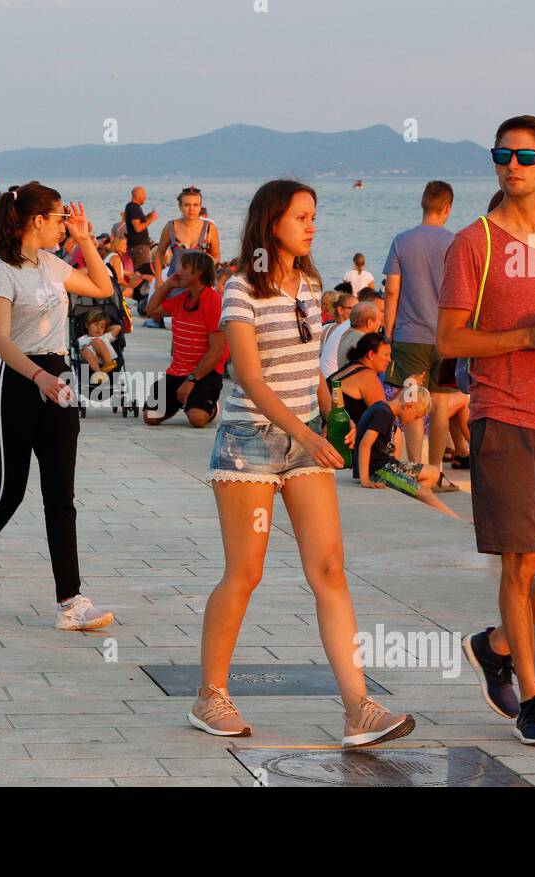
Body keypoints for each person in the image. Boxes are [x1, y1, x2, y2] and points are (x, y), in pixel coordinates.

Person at [189, 179, 414, 747]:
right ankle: (210, 695)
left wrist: (329, 407)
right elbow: (247, 375)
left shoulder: (309, 285)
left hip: (304, 439)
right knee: (246, 572)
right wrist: (305, 436)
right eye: (301, 216)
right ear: (272, 224)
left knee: (330, 569)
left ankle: (359, 708)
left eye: (314, 215)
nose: (312, 224)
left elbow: (306, 358)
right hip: (250, 443)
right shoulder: (240, 288)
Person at [437, 115, 535, 747]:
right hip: (500, 415)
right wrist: (525, 338)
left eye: (525, 156)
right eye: (502, 154)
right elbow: (449, 340)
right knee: (519, 560)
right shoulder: (471, 243)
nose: (512, 164)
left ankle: (496, 644)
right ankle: (533, 697)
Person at [0, 181, 118, 629]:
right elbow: (0, 341)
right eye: (61, 217)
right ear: (37, 220)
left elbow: (103, 288)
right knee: (8, 490)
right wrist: (39, 376)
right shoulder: (1, 270)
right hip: (16, 382)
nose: (65, 223)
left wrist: (85, 238)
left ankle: (72, 602)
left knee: (61, 497)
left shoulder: (53, 264)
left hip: (57, 379)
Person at [383, 180, 458, 477]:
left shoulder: (402, 241)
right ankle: (436, 471)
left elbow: (391, 290)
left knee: (412, 400)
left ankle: (414, 468)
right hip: (446, 337)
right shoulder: (455, 242)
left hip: (409, 335)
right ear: (447, 208)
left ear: (423, 204)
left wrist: (388, 330)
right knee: (440, 404)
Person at [143, 250, 228, 427]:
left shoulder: (213, 302)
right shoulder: (182, 299)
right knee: (150, 417)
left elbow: (218, 351)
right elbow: (151, 310)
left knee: (197, 419)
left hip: (205, 373)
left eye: (184, 267)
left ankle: (209, 407)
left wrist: (191, 380)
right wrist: (168, 285)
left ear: (198, 273)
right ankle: (185, 402)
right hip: (176, 372)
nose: (178, 271)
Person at [354, 382, 460, 518]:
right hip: (380, 471)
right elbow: (365, 444)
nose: (413, 421)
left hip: (389, 465)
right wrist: (365, 479)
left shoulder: (386, 409)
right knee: (424, 492)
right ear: (408, 406)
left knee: (434, 473)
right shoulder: (383, 413)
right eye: (416, 416)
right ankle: (455, 519)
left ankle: (408, 496)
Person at [152, 185, 221, 289]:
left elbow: (216, 254)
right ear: (180, 206)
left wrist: (210, 262)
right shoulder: (171, 227)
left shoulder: (209, 228)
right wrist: (158, 279)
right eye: (187, 205)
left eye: (196, 205)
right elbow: (159, 253)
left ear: (200, 206)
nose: (191, 209)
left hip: (202, 284)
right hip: (176, 285)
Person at [326, 331, 391, 426]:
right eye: (386, 355)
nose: (389, 359)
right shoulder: (368, 376)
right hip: (344, 434)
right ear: (371, 354)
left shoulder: (351, 367)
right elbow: (383, 417)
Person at [319, 300, 378, 378]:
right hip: (334, 383)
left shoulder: (349, 328)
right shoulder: (359, 337)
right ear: (369, 322)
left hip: (328, 379)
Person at [123, 186, 157, 289]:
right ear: (138, 196)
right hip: (139, 247)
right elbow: (137, 228)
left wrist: (147, 217)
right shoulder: (134, 208)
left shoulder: (132, 207)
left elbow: (137, 223)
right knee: (141, 272)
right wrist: (151, 220)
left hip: (137, 245)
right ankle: (138, 294)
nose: (145, 198)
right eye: (144, 196)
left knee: (141, 271)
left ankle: (139, 293)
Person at [76, 311, 120, 381]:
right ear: (87, 325)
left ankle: (108, 363)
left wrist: (106, 330)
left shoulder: (105, 337)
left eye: (102, 327)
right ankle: (99, 374)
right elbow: (78, 351)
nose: (99, 328)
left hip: (107, 361)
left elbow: (118, 327)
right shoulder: (81, 339)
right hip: (93, 363)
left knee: (96, 341)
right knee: (85, 351)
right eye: (96, 325)